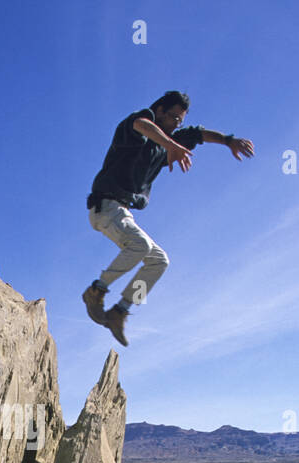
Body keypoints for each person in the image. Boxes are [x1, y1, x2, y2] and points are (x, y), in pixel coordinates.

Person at [82, 90, 254, 345]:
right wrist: (171, 146)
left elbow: (199, 134)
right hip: (105, 205)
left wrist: (229, 140)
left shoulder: (169, 140)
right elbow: (142, 125)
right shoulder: (138, 125)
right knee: (140, 246)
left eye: (180, 121)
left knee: (159, 261)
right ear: (160, 110)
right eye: (173, 117)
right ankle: (96, 291)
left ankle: (120, 312)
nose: (176, 124)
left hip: (123, 212)